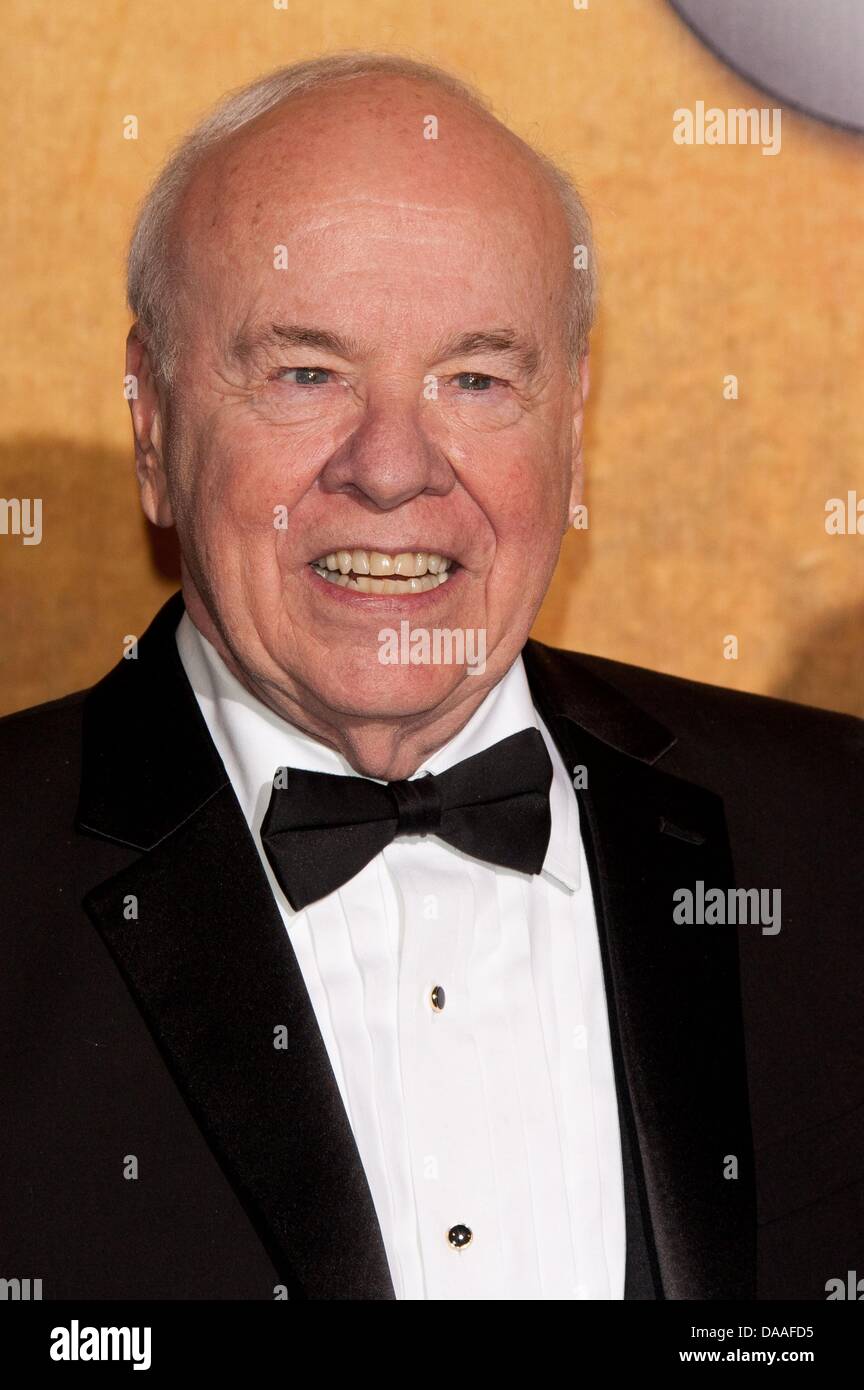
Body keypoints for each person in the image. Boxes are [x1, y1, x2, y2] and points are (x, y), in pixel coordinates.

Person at [0, 51, 861, 1302]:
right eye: (306, 372)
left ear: (573, 424)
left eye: (476, 378)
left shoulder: (836, 838)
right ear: (152, 419)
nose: (394, 465)